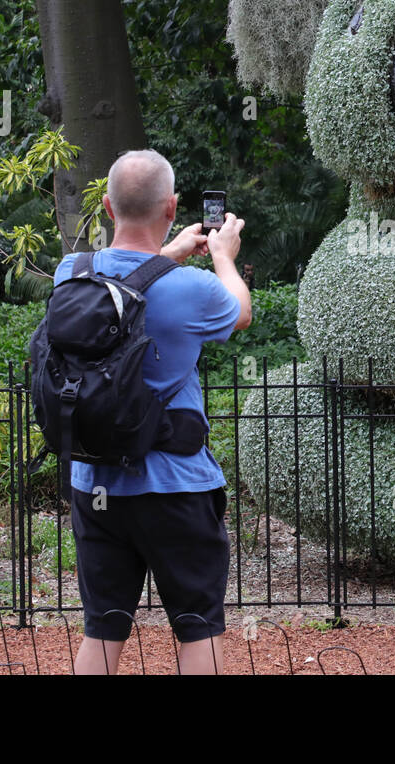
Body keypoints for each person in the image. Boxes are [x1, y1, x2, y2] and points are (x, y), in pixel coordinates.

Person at [53, 149, 250, 675]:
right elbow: (241, 313)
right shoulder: (195, 289)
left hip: (94, 484)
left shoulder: (70, 275)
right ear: (172, 206)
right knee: (198, 627)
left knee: (102, 629)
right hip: (176, 486)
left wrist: (168, 252)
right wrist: (222, 255)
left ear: (109, 209)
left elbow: (127, 295)